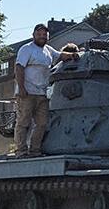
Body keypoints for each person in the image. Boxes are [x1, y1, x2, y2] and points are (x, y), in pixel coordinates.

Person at [13, 24, 76, 157]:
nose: (42, 37)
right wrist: (22, 88)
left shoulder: (48, 50)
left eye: (44, 35)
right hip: (27, 92)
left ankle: (35, 150)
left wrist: (73, 55)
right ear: (34, 35)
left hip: (42, 93)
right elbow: (19, 68)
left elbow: (60, 56)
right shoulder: (26, 49)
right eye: (39, 34)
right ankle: (21, 150)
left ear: (47, 37)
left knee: (42, 124)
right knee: (23, 122)